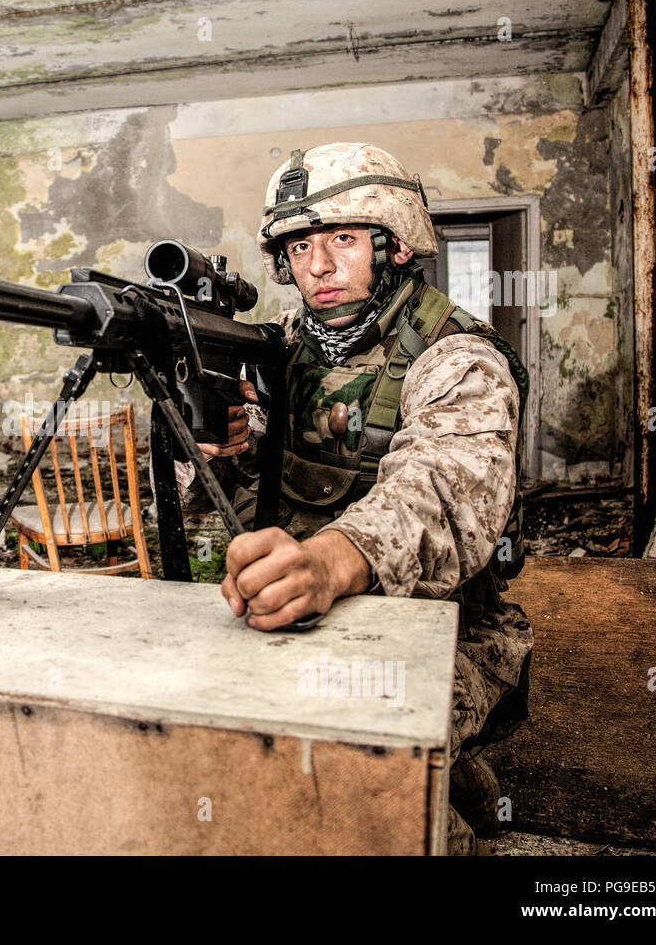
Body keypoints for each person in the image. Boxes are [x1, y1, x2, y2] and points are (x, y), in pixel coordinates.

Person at [176, 143, 534, 855]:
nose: (318, 265)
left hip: (450, 626)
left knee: (349, 778)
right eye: (301, 245)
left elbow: (443, 492)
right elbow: (233, 493)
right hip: (320, 610)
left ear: (393, 242)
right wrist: (225, 446)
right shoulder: (279, 349)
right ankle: (460, 787)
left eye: (342, 238)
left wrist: (330, 563)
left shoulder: (456, 358)